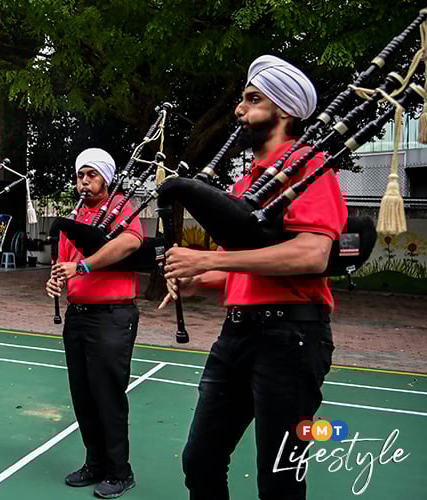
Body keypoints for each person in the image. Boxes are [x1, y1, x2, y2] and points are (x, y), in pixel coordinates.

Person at [160, 55, 347, 500]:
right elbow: (239, 268)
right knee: (200, 459)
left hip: (291, 337)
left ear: (282, 110)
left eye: (252, 99)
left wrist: (209, 263)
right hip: (238, 334)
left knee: (279, 479)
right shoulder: (248, 185)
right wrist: (194, 278)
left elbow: (313, 253)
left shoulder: (309, 168)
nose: (239, 110)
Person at [46, 148, 143, 499]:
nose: (84, 181)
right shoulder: (75, 216)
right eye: (80, 175)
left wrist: (83, 268)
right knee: (83, 395)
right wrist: (56, 280)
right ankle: (95, 463)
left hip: (112, 315)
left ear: (106, 177)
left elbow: (131, 243)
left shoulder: (121, 208)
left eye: (91, 175)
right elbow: (65, 264)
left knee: (107, 396)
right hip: (79, 315)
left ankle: (121, 471)